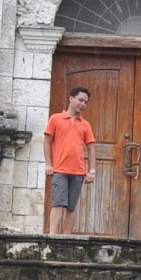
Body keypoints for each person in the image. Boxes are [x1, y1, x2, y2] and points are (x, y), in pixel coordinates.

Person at [43, 87, 96, 235]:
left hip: (78, 172)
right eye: (80, 100)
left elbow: (91, 149)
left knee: (71, 207)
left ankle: (67, 239)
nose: (83, 104)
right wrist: (48, 164)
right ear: (71, 98)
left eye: (86, 102)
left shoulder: (85, 125)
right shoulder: (55, 119)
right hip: (60, 170)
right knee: (58, 204)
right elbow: (47, 141)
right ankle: (52, 238)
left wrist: (91, 171)